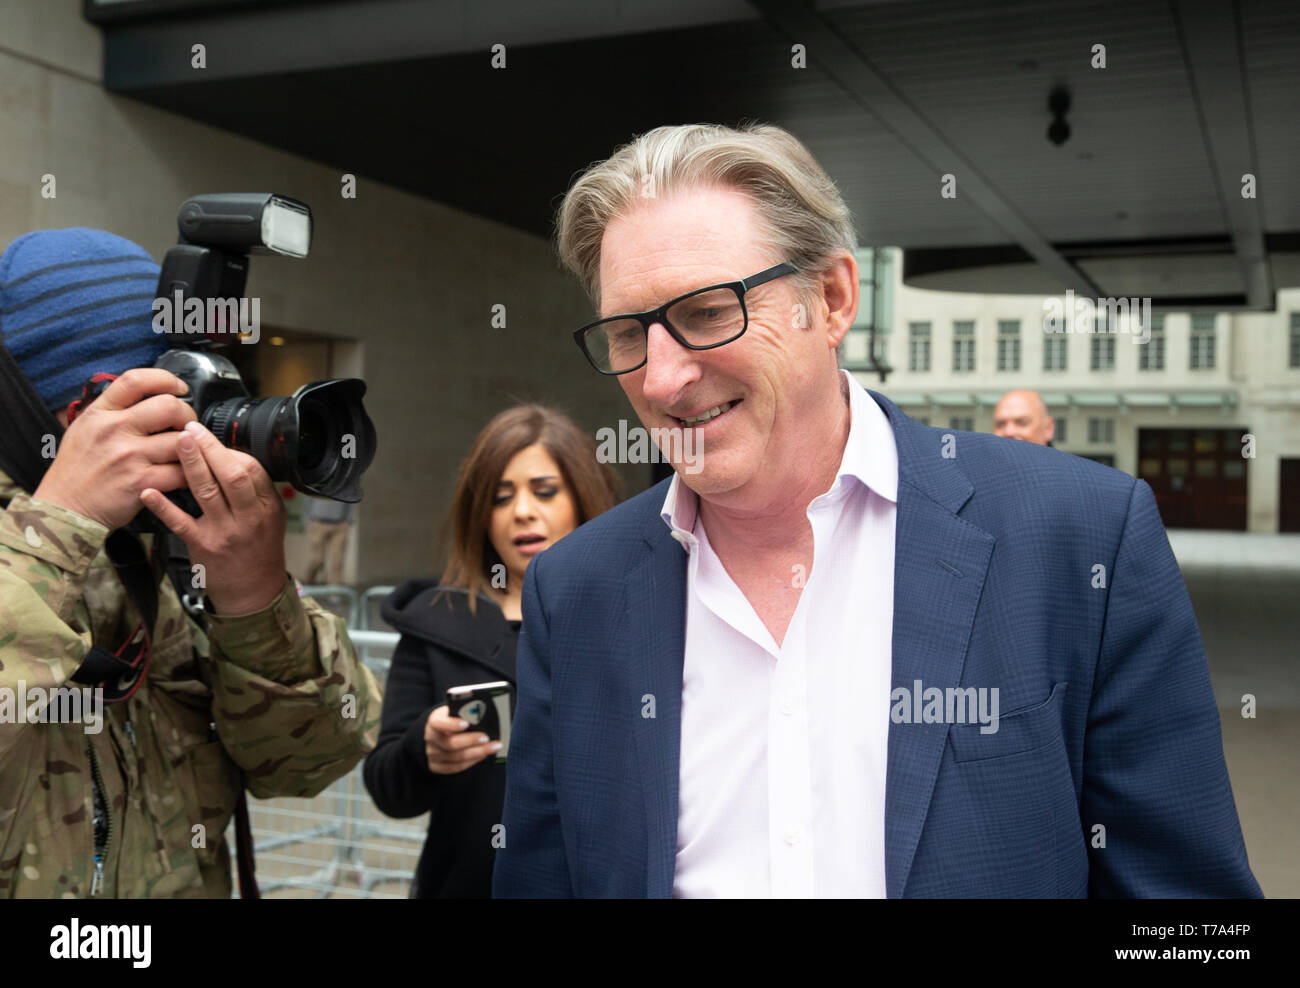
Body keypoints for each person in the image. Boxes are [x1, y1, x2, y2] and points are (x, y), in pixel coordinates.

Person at [492, 123, 1261, 898]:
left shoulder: (1079, 537)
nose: (660, 380)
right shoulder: (576, 592)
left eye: (705, 312)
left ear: (830, 299)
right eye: (629, 332)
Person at [0, 228, 379, 898]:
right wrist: (59, 529)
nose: (188, 433)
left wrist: (257, 599)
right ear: (63, 414)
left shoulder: (172, 550)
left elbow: (314, 762)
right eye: (153, 406)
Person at [363, 405, 617, 897]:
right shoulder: (436, 624)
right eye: (502, 497)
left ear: (584, 498)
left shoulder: (634, 616)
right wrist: (425, 748)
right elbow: (388, 787)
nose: (523, 510)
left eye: (545, 491)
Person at [304, 495, 356, 585]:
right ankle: (309, 581)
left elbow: (350, 498)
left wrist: (349, 520)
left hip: (340, 524)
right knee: (318, 559)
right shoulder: (319, 481)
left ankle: (334, 592)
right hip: (319, 522)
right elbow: (308, 497)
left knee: (337, 561)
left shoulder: (343, 481)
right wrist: (308, 518)